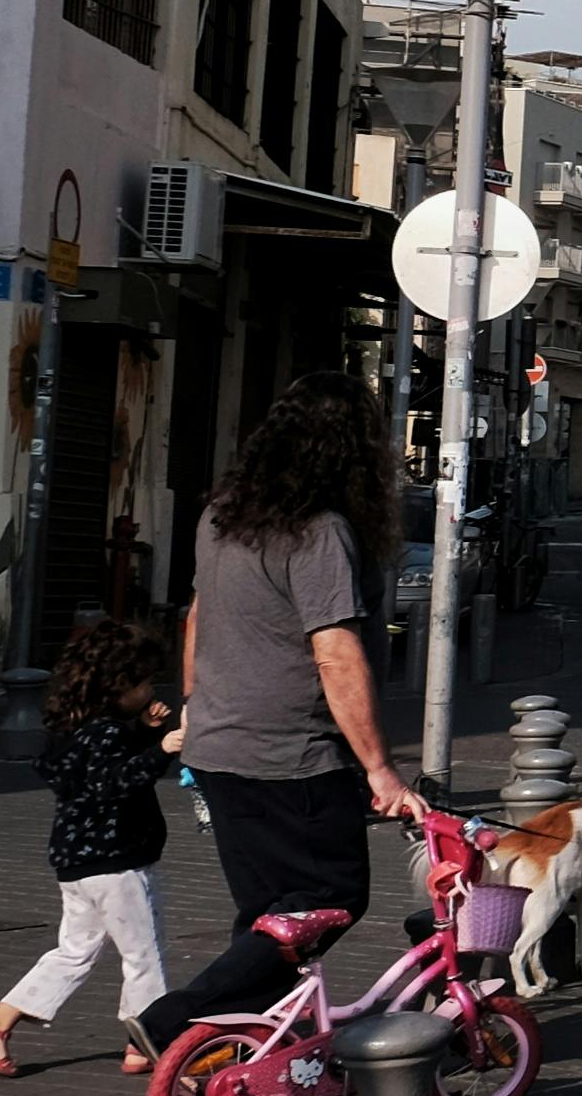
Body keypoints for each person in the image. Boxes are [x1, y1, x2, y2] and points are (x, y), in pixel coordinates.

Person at [137, 372, 427, 1058]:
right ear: (352, 450)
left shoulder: (223, 516)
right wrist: (380, 769)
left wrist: (195, 708)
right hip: (292, 757)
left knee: (271, 916)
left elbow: (197, 618)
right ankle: (174, 1021)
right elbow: (335, 654)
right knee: (329, 898)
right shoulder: (319, 531)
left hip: (219, 749)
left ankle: (233, 1054)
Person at [0, 614, 184, 1077]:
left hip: (76, 863)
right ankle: (147, 1040)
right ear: (118, 685)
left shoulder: (72, 728)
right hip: (117, 861)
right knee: (144, 953)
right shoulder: (108, 732)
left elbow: (87, 772)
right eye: (143, 681)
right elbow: (112, 782)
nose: (150, 690)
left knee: (74, 951)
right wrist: (161, 748)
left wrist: (142, 731)